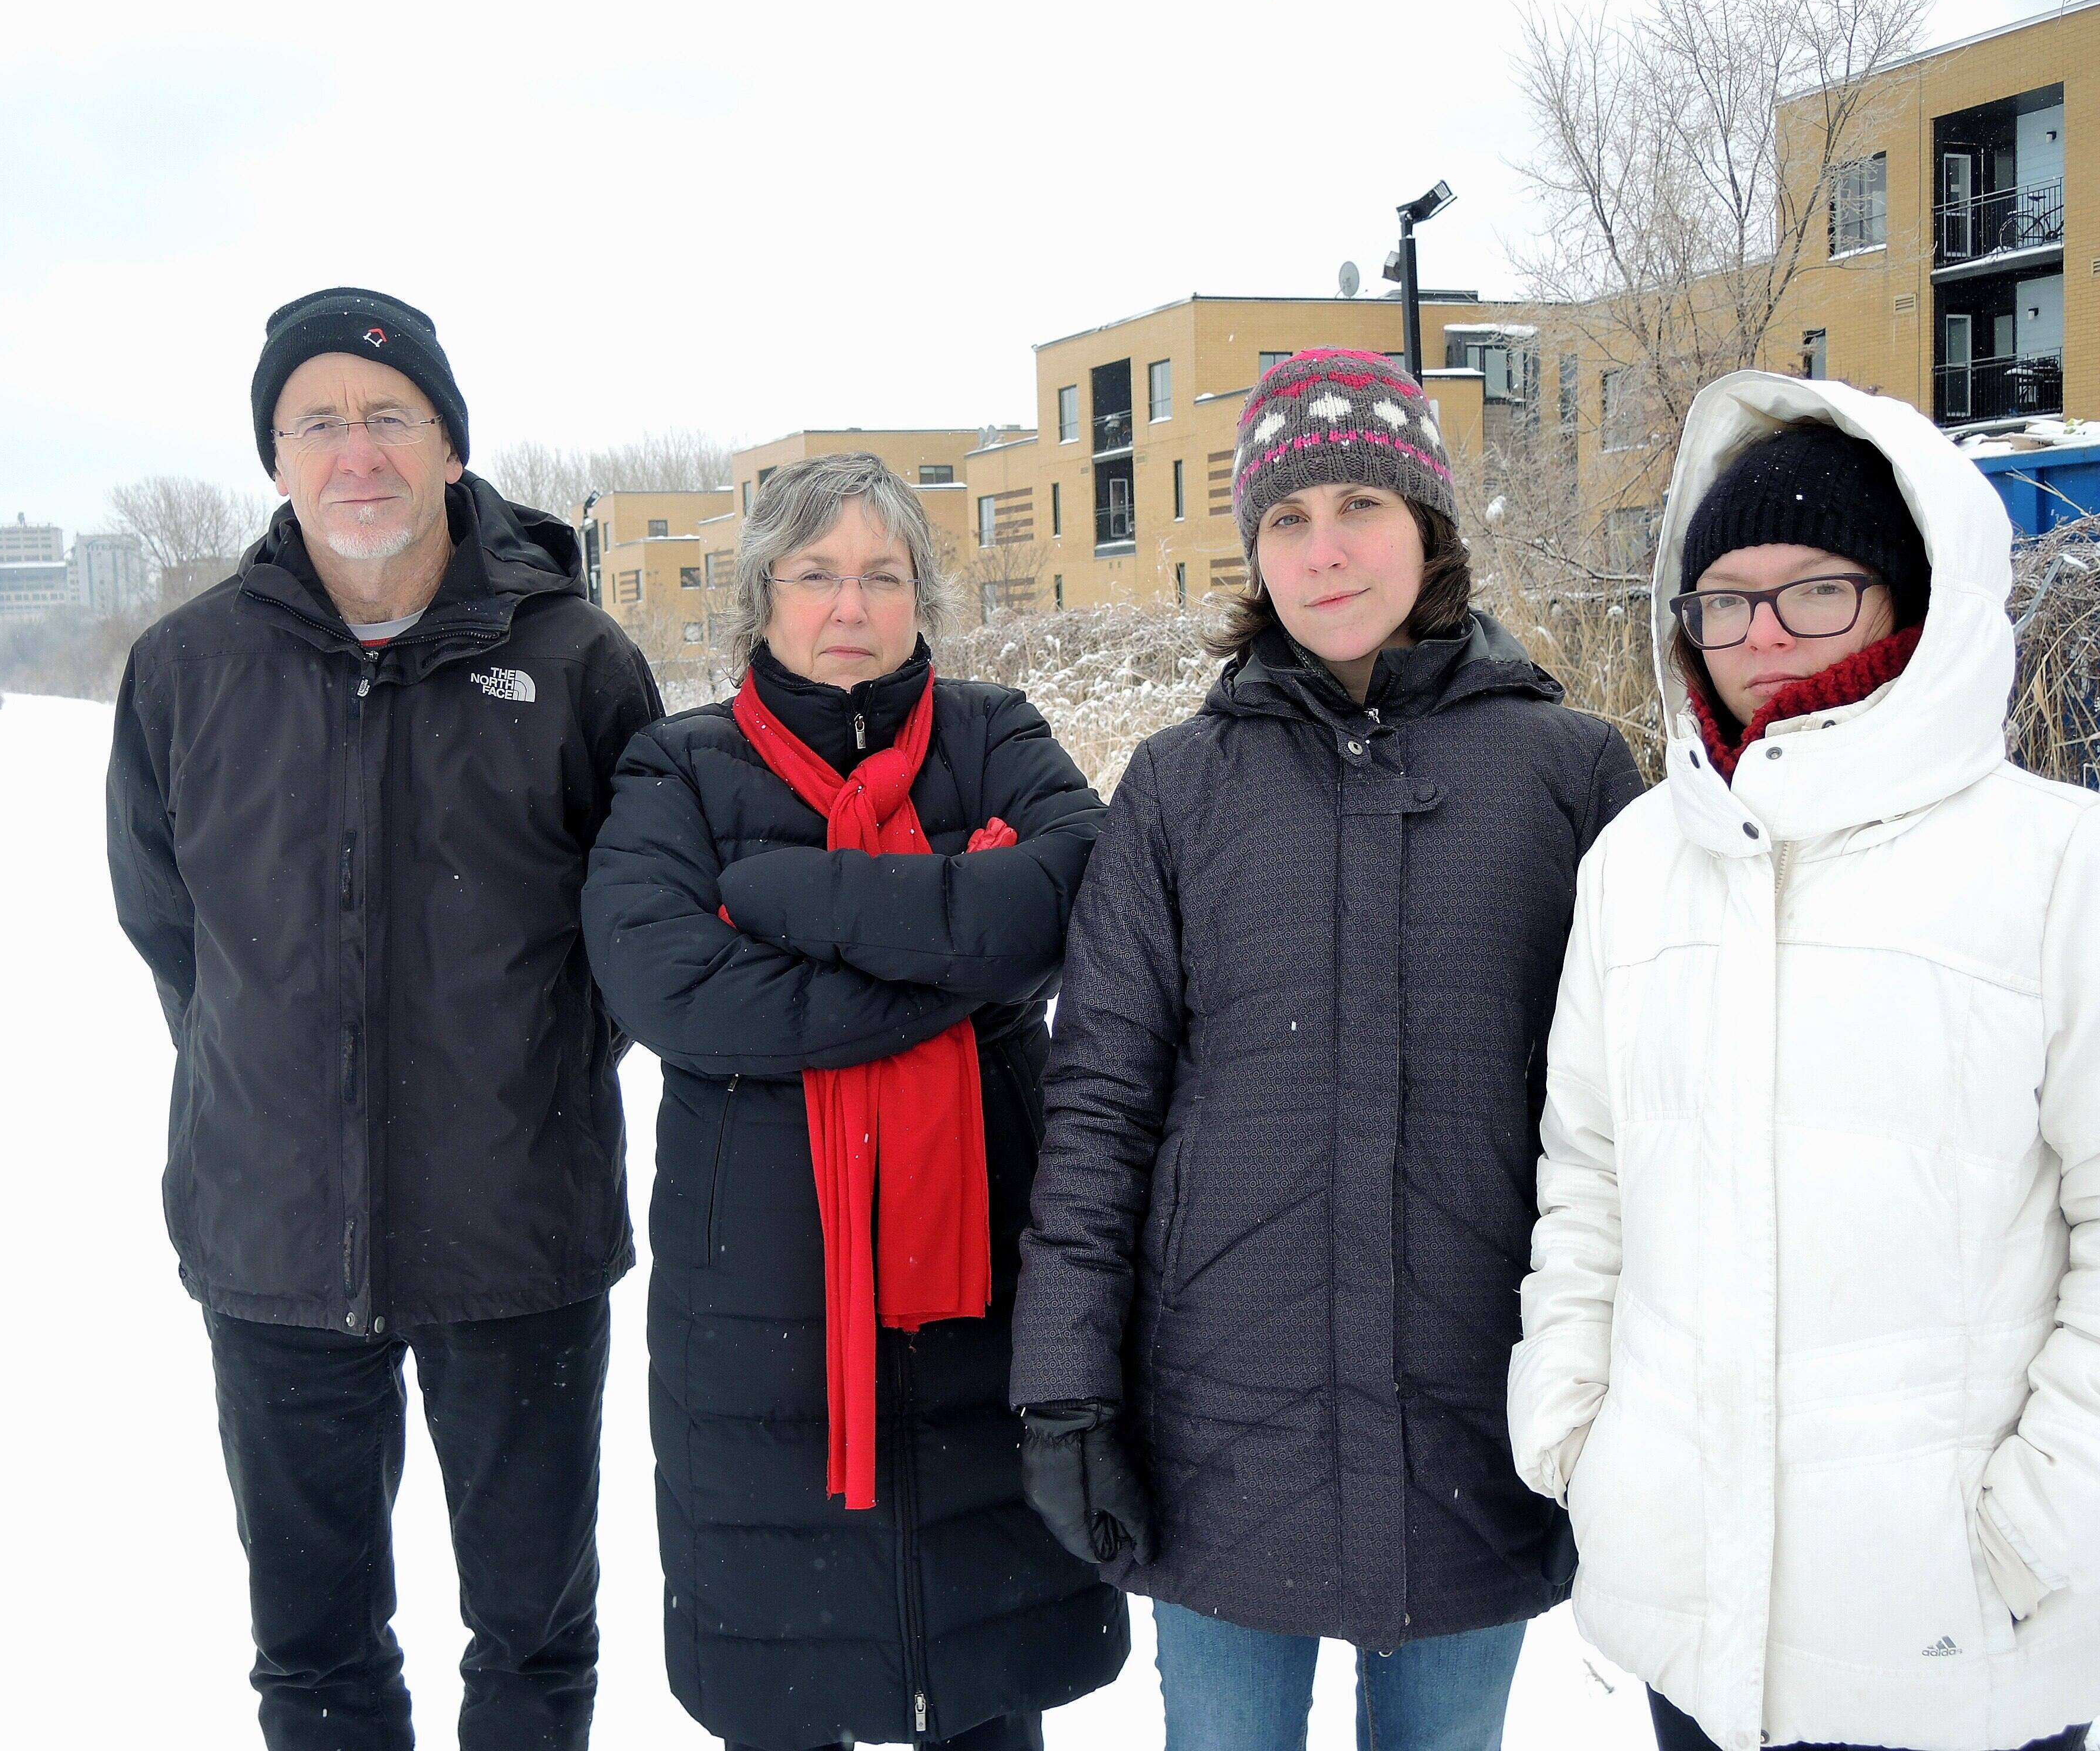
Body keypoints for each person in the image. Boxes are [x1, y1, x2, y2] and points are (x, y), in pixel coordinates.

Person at [1009, 348, 1644, 1751]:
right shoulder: (1179, 786)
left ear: (1428, 524)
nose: (1323, 549)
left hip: (1474, 1421)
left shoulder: (1571, 775)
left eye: (1357, 502)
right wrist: (1063, 1386)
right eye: (1285, 519)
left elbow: (1629, 1125)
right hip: (1220, 1424)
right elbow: (1100, 1104)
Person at [1508, 370, 2100, 1751]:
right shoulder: (1639, 864)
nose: (1761, 636)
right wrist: (1578, 1433)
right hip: (1691, 1617)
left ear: (1906, 595)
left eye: (1814, 589)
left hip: (1957, 1633)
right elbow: (1584, 1175)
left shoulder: (2054, 864)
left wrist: (2035, 1522)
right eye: (1722, 599)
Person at [106, 286, 660, 1751]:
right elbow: (171, 930)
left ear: (451, 449)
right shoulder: (185, 670)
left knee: (533, 1639)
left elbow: (630, 933)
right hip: (270, 1245)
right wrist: (281, 1087)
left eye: (389, 418)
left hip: (517, 1242)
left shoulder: (574, 663)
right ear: (276, 459)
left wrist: (513, 1090)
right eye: (319, 424)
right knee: (313, 1653)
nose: (358, 455)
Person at [580, 452, 1125, 1750]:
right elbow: (674, 988)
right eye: (814, 573)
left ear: (920, 596)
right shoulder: (680, 770)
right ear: (761, 596)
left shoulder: (997, 734)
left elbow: (1066, 899)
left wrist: (782, 901)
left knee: (986, 1689)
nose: (849, 607)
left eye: (882, 575)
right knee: (784, 1689)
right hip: (760, 1318)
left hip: (988, 1301)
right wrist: (950, 967)